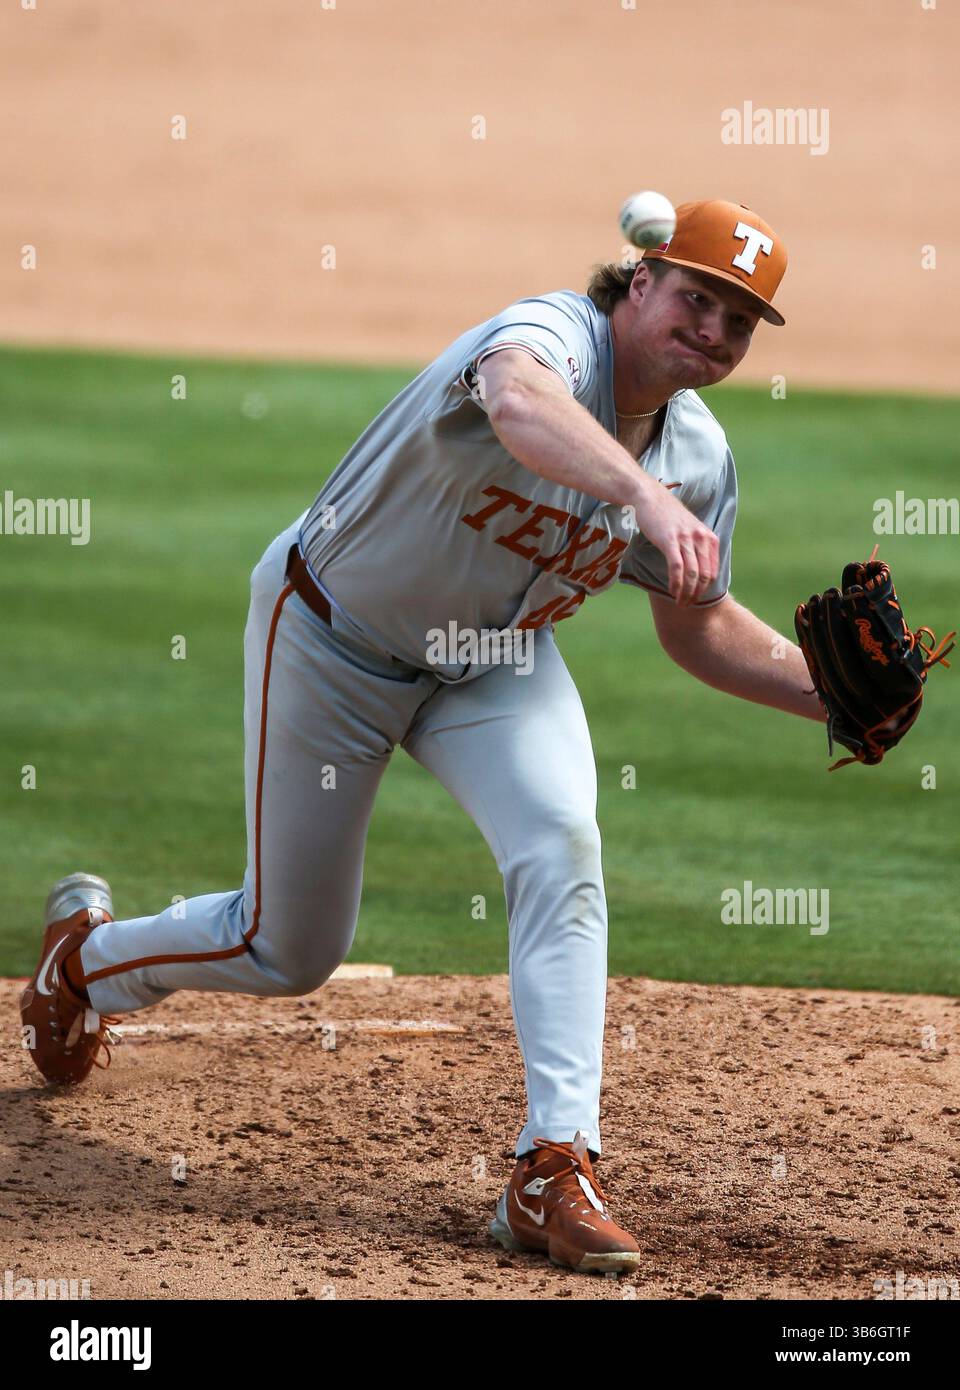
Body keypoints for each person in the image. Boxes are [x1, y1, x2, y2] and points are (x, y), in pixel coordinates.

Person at [21, 199, 823, 1276]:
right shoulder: (548, 335)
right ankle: (83, 967)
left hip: (492, 662)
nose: (714, 334)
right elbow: (515, 400)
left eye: (739, 322)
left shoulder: (699, 459)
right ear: (639, 284)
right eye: (698, 300)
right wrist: (639, 491)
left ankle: (554, 1163)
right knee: (286, 948)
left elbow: (700, 625)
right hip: (332, 638)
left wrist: (833, 697)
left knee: (562, 845)